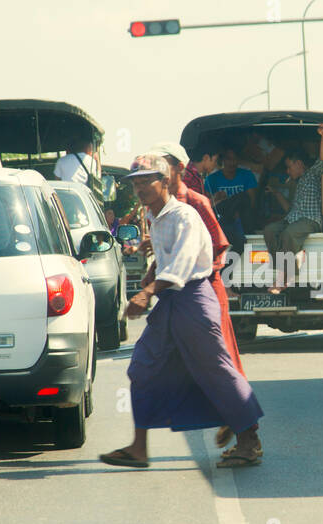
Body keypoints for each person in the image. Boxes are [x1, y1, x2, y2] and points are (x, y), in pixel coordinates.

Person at [99, 154, 263, 470]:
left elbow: (183, 264)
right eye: (136, 182)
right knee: (142, 368)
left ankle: (249, 439)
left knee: (215, 369)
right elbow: (165, 259)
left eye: (147, 180)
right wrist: (150, 276)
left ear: (165, 182)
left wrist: (148, 291)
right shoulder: (154, 215)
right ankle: (138, 448)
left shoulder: (185, 215)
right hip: (172, 299)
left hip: (194, 297)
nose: (140, 188)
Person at [152, 142, 255, 458]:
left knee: (223, 366)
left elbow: (219, 249)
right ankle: (230, 419)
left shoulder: (195, 202)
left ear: (179, 169)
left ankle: (248, 438)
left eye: (162, 168)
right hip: (181, 299)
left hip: (205, 293)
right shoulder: (161, 208)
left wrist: (187, 278)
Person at [262, 125, 323, 291]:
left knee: (289, 233)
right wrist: (276, 193)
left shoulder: (312, 174)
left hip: (310, 220)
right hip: (293, 219)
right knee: (270, 230)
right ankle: (288, 267)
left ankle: (284, 277)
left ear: (299, 163)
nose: (287, 170)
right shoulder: (296, 184)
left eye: (289, 166)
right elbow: (289, 210)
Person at [205, 147, 259, 249]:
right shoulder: (212, 179)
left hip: (243, 219)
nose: (232, 162)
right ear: (223, 160)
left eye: (235, 159)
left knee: (243, 198)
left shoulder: (247, 175)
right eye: (228, 159)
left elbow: (251, 202)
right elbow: (208, 207)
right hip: (222, 220)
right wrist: (218, 198)